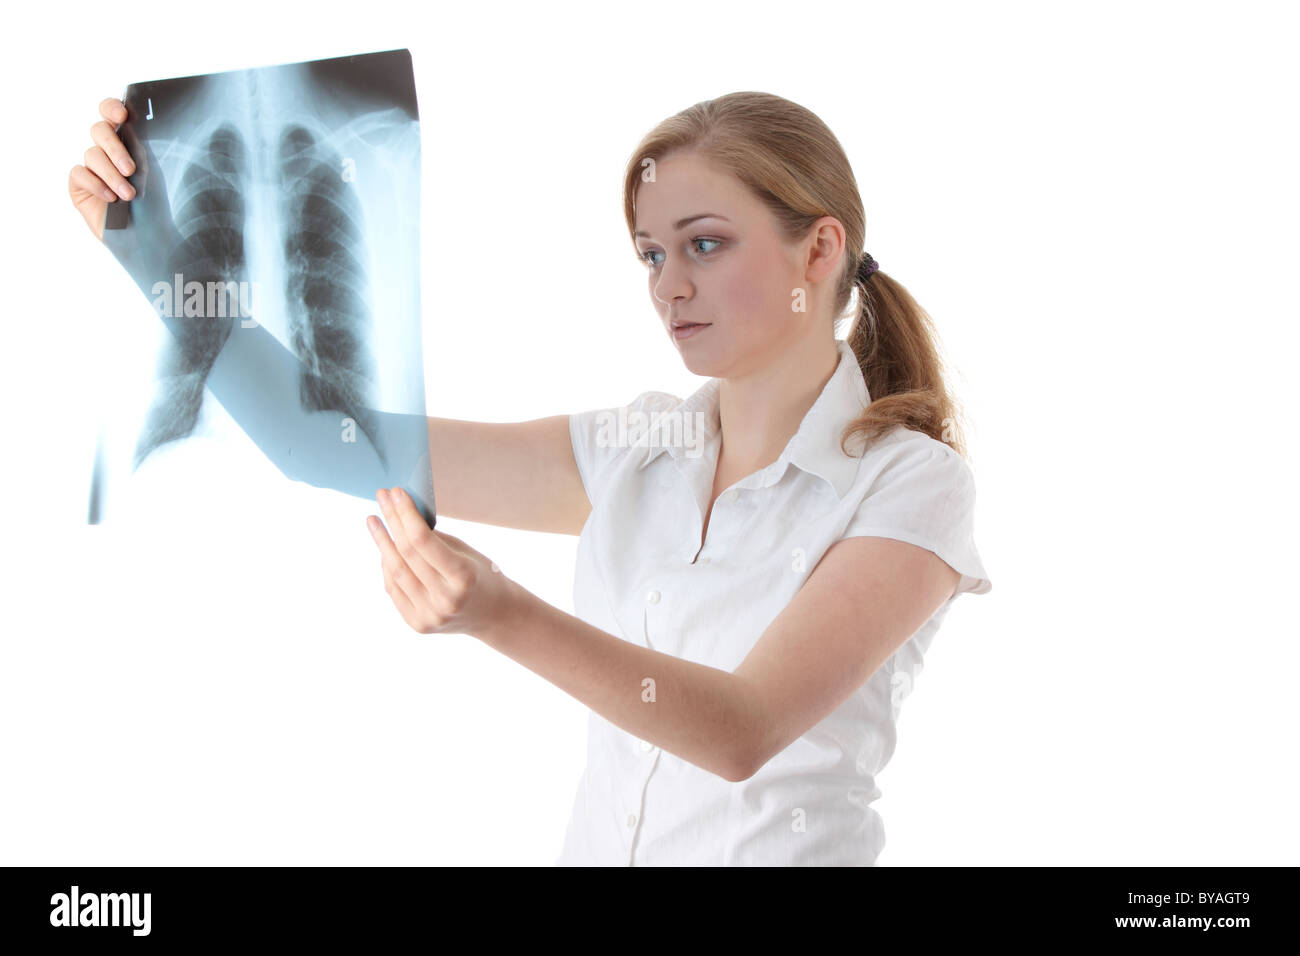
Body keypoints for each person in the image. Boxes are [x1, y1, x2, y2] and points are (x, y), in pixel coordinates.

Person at [70, 90, 991, 866]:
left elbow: (740, 731)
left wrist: (499, 613)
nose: (668, 285)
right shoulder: (635, 446)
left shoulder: (913, 485)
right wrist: (150, 250)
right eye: (651, 254)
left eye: (705, 244)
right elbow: (322, 444)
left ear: (819, 251)